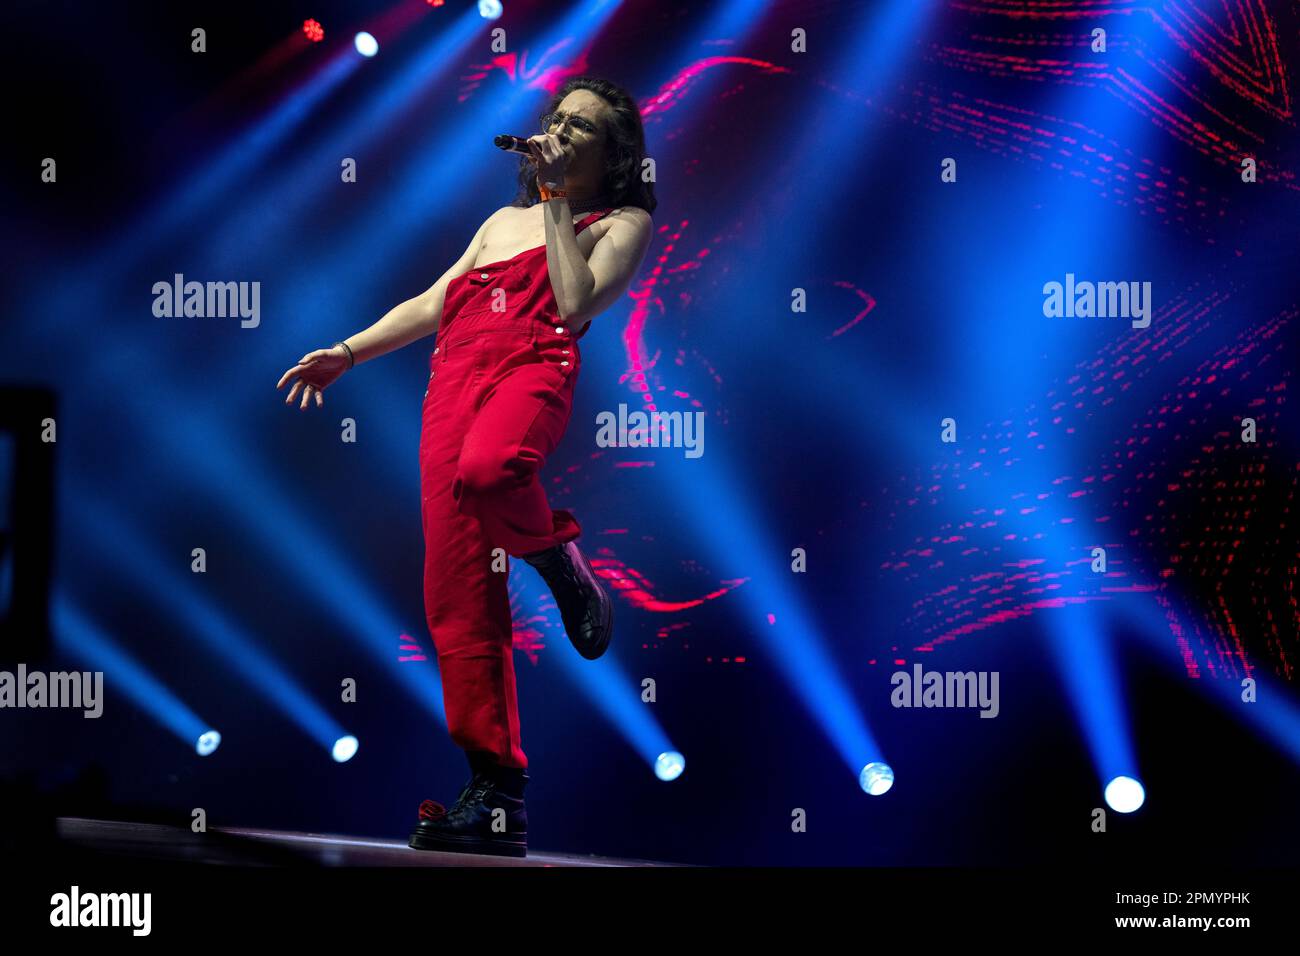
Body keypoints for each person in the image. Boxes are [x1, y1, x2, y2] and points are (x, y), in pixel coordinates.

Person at [275, 76, 655, 857]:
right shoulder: (498, 221)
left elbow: (576, 301)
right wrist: (347, 352)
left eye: (582, 126)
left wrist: (556, 205)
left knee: (493, 471)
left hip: (530, 367)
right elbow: (435, 299)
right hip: (451, 381)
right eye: (558, 118)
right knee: (453, 589)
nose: (561, 129)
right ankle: (494, 791)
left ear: (612, 154)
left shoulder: (621, 221)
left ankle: (556, 556)